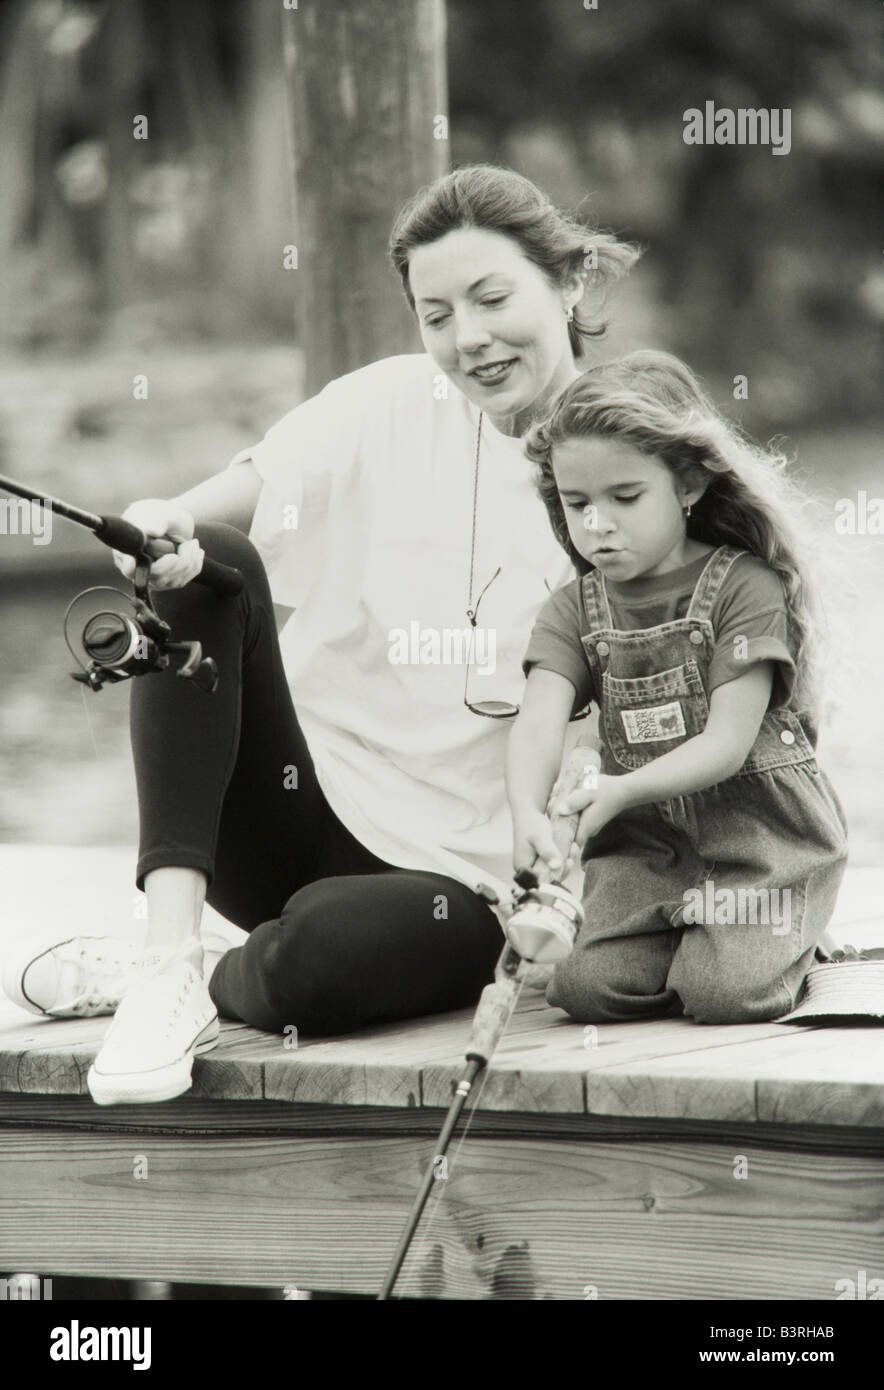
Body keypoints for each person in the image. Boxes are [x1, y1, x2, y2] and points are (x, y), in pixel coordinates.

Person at [2, 165, 639, 1104]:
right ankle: (165, 959)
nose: (469, 338)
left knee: (311, 966)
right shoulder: (383, 404)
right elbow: (232, 508)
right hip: (297, 813)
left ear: (569, 281)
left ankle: (218, 971)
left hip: (458, 881)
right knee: (206, 559)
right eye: (436, 315)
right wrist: (165, 521)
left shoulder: (635, 467)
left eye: (493, 297)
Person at [506, 350, 848, 1024]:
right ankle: (698, 939)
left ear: (688, 484)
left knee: (726, 995)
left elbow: (726, 742)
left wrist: (621, 788)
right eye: (577, 504)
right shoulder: (574, 608)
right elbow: (538, 721)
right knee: (580, 988)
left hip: (760, 840)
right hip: (647, 850)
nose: (597, 524)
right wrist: (526, 812)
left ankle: (792, 943)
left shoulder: (746, 587)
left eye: (624, 498)